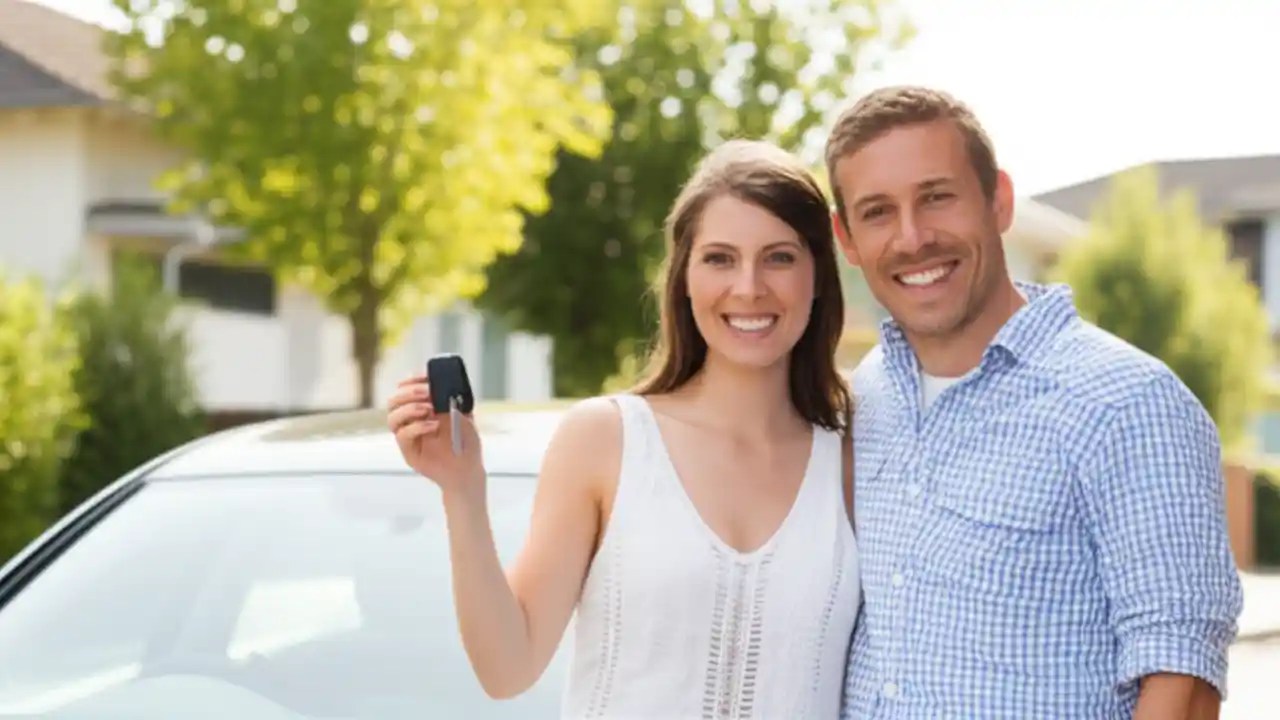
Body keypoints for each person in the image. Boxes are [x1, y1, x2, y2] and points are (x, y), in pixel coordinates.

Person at [386, 139, 861, 718]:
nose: (748, 287)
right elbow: (508, 668)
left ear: (818, 275)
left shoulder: (854, 457)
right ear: (684, 278)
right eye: (719, 258)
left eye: (779, 257)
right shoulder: (605, 440)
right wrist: (462, 490)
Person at [824, 84, 1244, 719]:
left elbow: (1181, 685)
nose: (913, 238)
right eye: (878, 212)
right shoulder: (868, 394)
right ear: (847, 239)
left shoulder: (1130, 404)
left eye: (936, 197)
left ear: (999, 201)